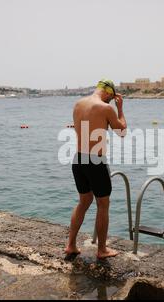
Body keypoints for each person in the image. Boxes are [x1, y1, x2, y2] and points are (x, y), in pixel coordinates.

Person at [65, 79, 127, 259]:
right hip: (95, 162)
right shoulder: (106, 108)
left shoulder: (78, 104)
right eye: (112, 97)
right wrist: (120, 108)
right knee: (103, 204)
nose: (111, 101)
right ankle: (102, 250)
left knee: (83, 202)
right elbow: (122, 131)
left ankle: (71, 245)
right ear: (108, 92)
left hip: (78, 160)